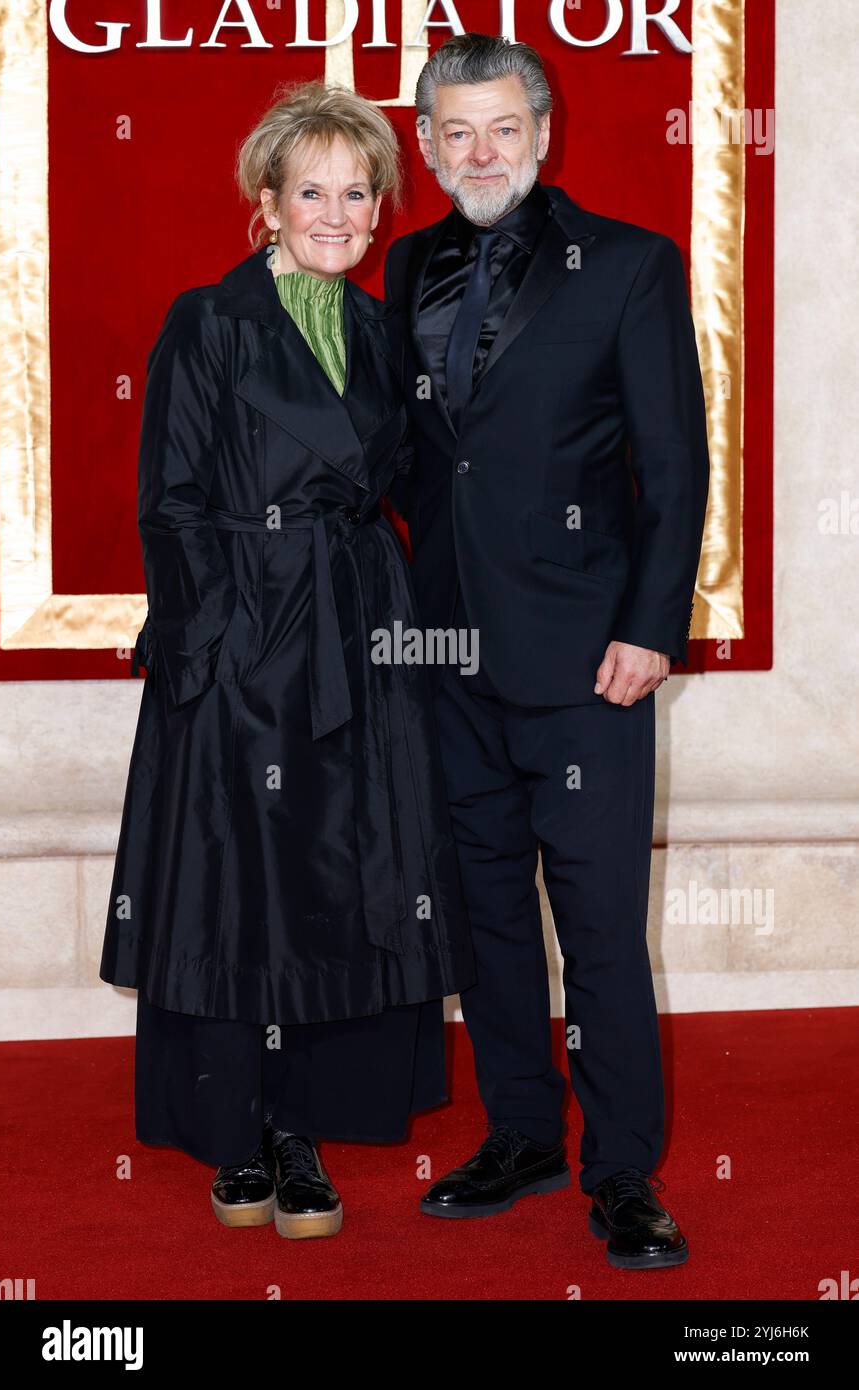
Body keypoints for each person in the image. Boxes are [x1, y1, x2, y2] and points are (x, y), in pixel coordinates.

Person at [100, 80, 475, 1240]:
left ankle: (306, 1129)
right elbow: (169, 499)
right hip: (240, 639)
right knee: (239, 887)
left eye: (356, 192)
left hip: (359, 633)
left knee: (337, 880)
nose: (335, 210)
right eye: (310, 189)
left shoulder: (378, 330)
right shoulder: (208, 321)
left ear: (379, 211)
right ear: (268, 203)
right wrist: (207, 645)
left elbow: (417, 483)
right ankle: (239, 1134)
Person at [384, 35, 710, 1269]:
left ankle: (623, 1171)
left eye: (503, 130)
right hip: (448, 648)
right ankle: (520, 1132)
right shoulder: (408, 259)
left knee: (602, 925)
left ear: (543, 133)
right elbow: (421, 462)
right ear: (424, 144)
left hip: (587, 658)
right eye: (455, 133)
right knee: (486, 915)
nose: (481, 154)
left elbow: (675, 465)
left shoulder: (629, 265)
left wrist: (648, 626)